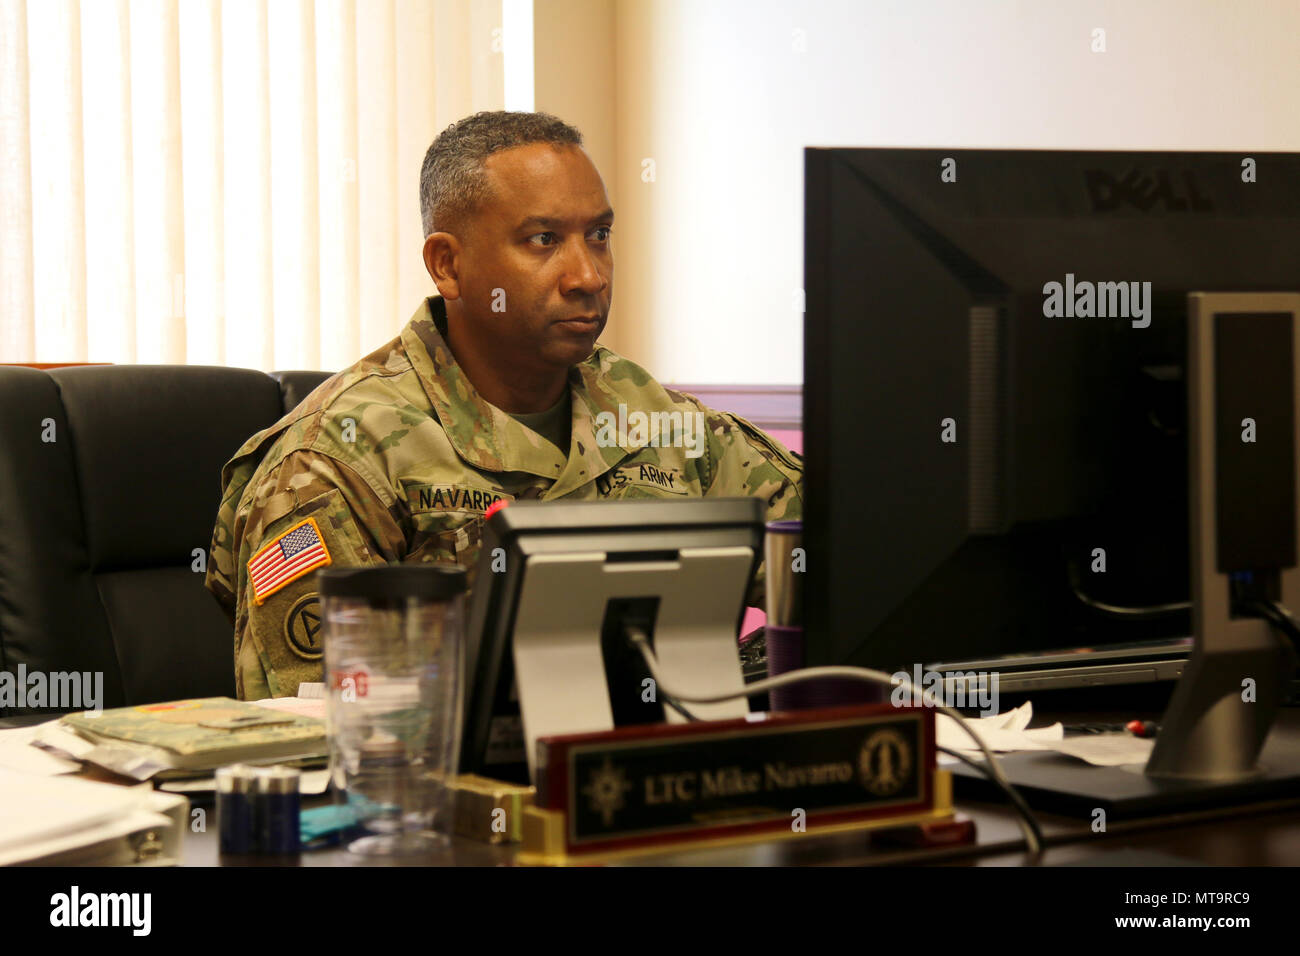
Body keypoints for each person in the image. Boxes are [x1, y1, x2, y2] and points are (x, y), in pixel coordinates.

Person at [205, 111, 803, 700]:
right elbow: (321, 731)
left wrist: (742, 683)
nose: (588, 275)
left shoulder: (655, 418)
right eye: (544, 240)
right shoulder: (336, 458)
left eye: (598, 236)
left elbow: (842, 573)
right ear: (448, 265)